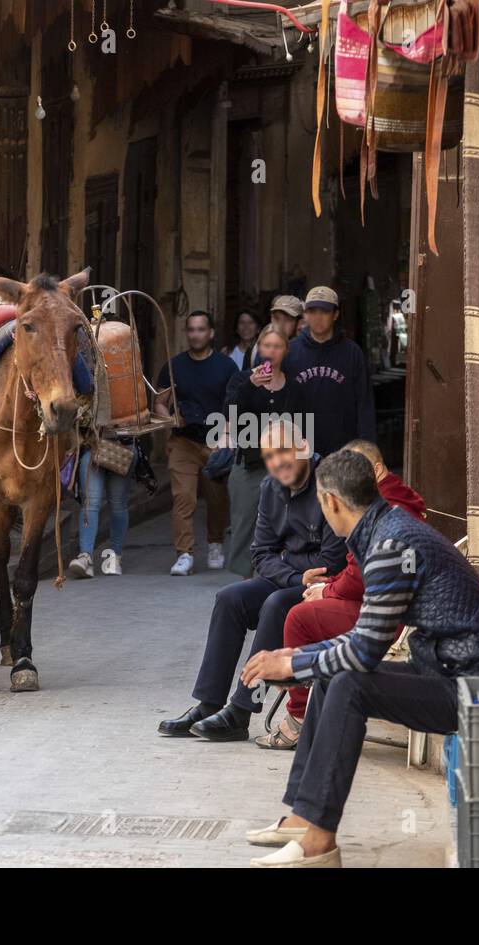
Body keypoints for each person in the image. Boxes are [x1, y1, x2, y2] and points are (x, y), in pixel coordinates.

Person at [240, 449, 479, 867]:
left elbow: (364, 649)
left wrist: (291, 663)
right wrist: (299, 656)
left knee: (350, 683)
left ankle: (319, 841)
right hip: (448, 673)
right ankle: (303, 818)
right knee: (331, 679)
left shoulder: (391, 543)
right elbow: (362, 638)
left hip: (477, 691)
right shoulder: (386, 529)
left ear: (331, 502)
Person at [157, 420, 345, 743]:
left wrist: (286, 563)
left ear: (303, 448)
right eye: (270, 456)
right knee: (230, 598)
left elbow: (330, 562)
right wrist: (293, 571)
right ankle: (209, 703)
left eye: (284, 451)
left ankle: (241, 710)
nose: (278, 462)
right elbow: (260, 553)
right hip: (294, 579)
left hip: (324, 589)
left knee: (275, 605)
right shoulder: (270, 487)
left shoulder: (329, 485)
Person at [254, 439, 423, 749]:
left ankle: (300, 718)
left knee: (299, 618)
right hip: (384, 601)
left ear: (375, 469)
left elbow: (360, 576)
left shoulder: (387, 508)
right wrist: (328, 587)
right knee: (269, 601)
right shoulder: (387, 497)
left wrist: (328, 591)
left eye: (355, 470)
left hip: (391, 617)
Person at [221, 324, 308, 578]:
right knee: (244, 523)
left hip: (285, 467)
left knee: (282, 526)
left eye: (277, 346)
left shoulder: (294, 387)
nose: (271, 350)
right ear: (259, 348)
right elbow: (230, 413)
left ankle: (269, 578)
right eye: (267, 345)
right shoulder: (241, 379)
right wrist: (250, 384)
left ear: (285, 350)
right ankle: (244, 580)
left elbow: (302, 427)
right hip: (248, 465)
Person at [156, 310, 236, 575]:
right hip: (183, 442)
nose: (195, 334)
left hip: (216, 440)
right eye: (191, 329)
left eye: (201, 329)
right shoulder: (174, 366)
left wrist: (229, 436)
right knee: (183, 499)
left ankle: (215, 543)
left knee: (217, 499)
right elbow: (159, 403)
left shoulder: (226, 366)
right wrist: (170, 420)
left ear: (211, 333)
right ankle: (184, 554)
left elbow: (236, 404)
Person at [284, 286, 376, 456]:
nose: (318, 318)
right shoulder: (289, 352)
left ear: (335, 315)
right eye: (312, 311)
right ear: (305, 314)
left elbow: (365, 404)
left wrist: (368, 449)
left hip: (342, 450)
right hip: (299, 449)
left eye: (324, 312)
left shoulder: (352, 353)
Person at [67, 438, 136, 578]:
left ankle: (115, 556)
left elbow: (146, 417)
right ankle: (85, 557)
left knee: (117, 503)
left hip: (123, 447)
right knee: (90, 502)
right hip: (92, 448)